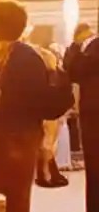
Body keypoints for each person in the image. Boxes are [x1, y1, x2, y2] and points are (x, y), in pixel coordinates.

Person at [0, 0, 69, 212]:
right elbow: (50, 103)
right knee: (18, 196)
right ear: (23, 25)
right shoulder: (32, 57)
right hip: (22, 134)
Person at [64, 23, 99, 212]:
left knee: (96, 188)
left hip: (95, 128)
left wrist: (76, 43)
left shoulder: (93, 49)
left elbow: (71, 69)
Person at [36, 43, 70, 188]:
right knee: (48, 145)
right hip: (53, 114)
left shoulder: (43, 77)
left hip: (45, 114)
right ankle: (48, 174)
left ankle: (45, 173)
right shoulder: (56, 75)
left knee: (45, 145)